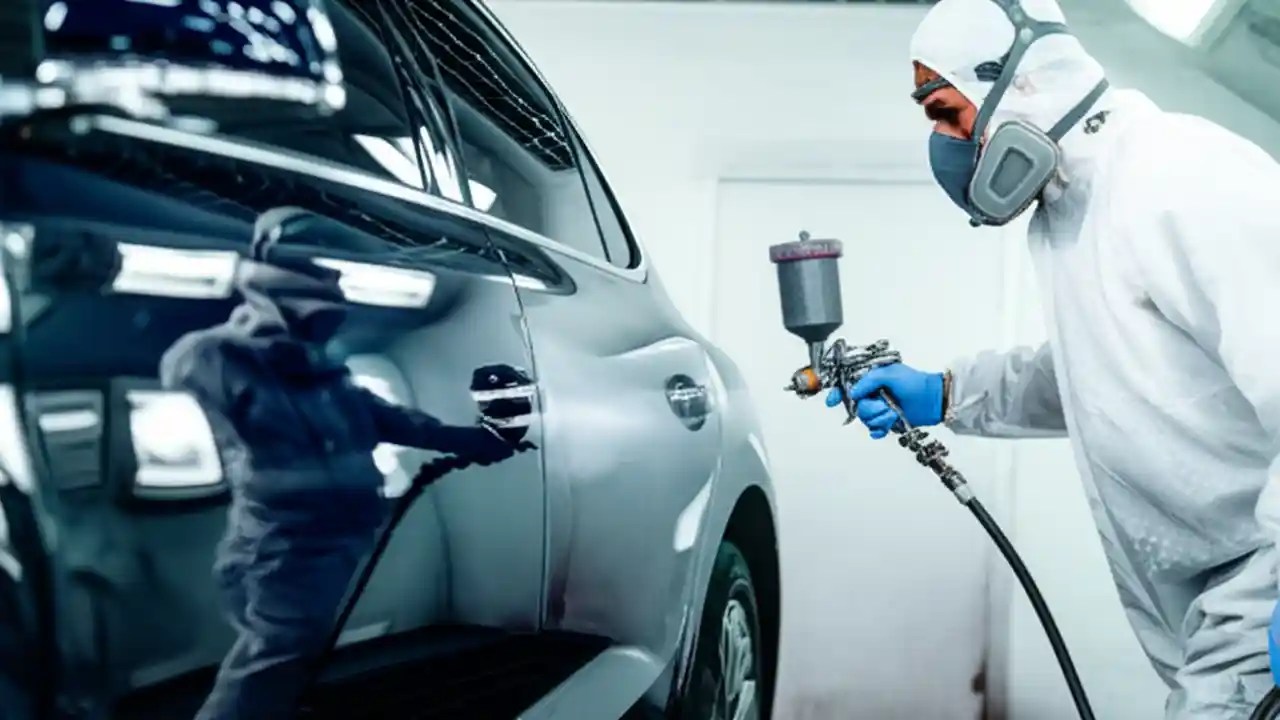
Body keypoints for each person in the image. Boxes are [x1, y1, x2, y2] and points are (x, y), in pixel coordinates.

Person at [826, 0, 1280, 716]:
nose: (946, 144)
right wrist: (947, 392)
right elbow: (1104, 374)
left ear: (1025, 83)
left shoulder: (1180, 176)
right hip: (1212, 596)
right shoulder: (1073, 209)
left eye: (947, 112)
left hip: (1265, 579)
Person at [160, 231, 517, 720]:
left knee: (293, 651)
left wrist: (478, 441)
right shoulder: (212, 356)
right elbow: (203, 431)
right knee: (276, 652)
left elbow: (395, 421)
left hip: (335, 538)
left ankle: (274, 707)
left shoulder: (326, 373)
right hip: (283, 542)